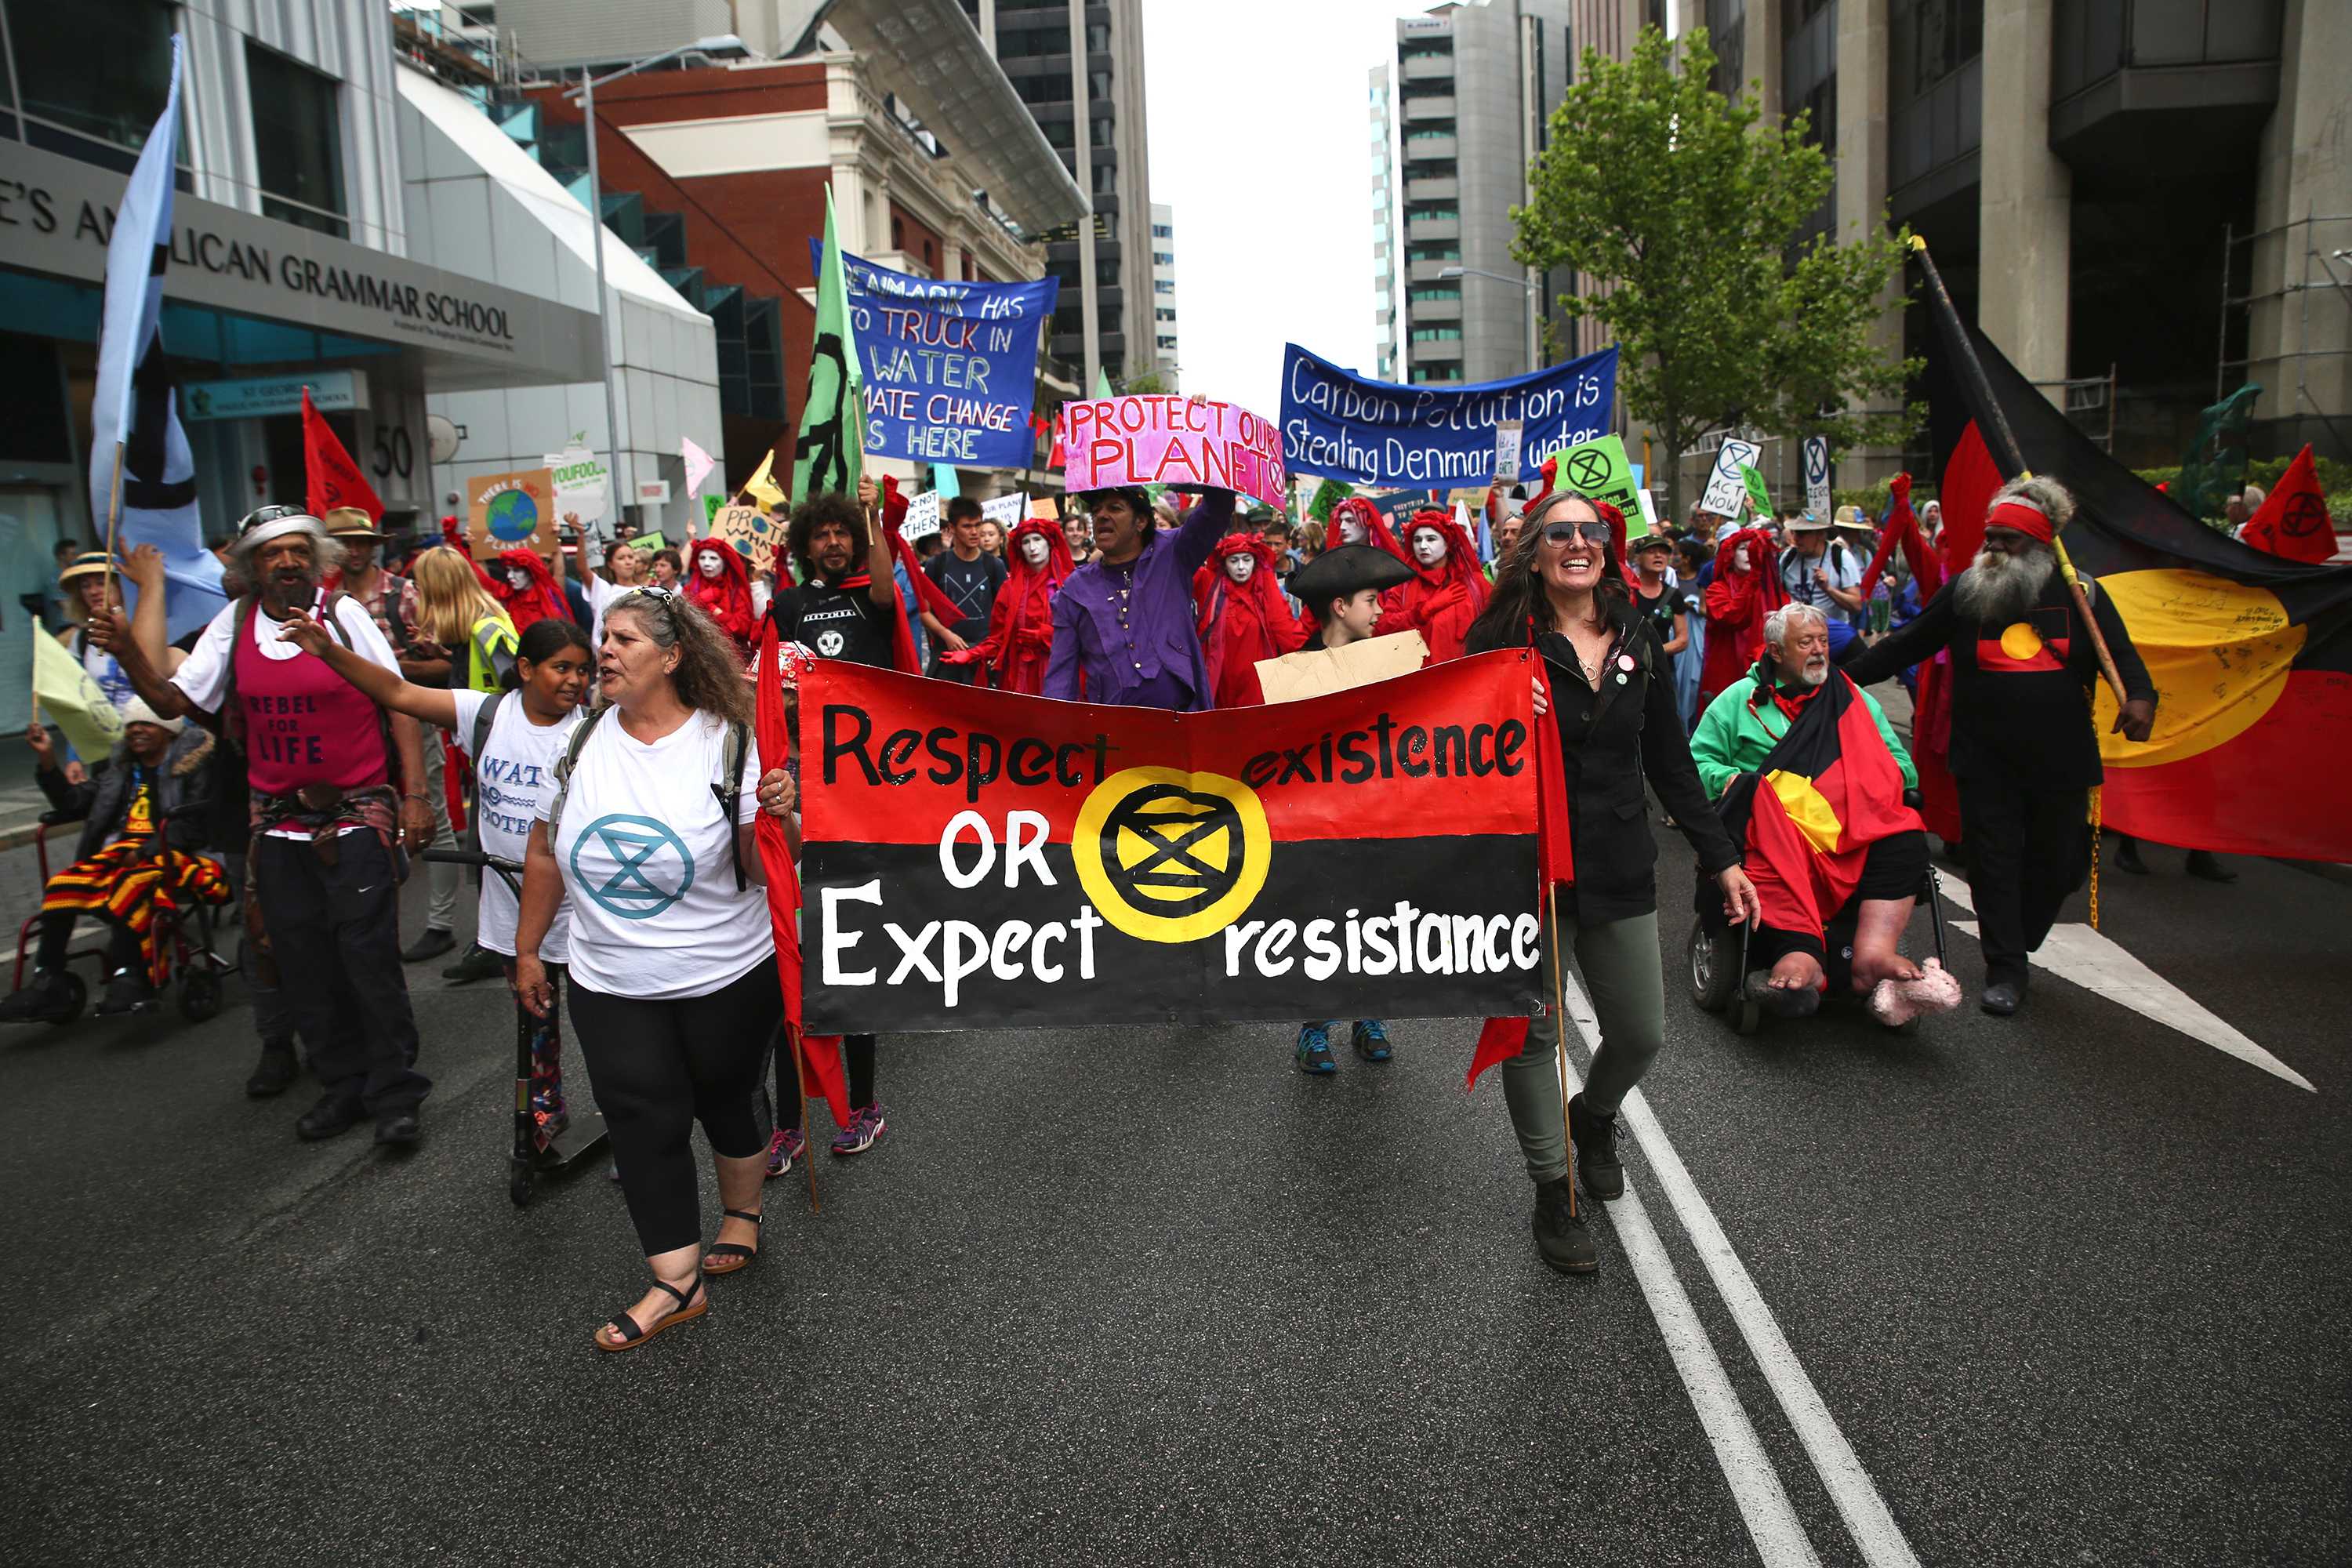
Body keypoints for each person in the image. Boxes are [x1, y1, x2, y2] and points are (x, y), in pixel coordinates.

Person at [1464, 491, 1759, 1274]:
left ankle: (1594, 1117)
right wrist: (1498, 703)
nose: (1576, 543)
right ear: (1532, 553)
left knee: (1641, 1032)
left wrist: (1721, 854)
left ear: (1606, 546)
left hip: (1620, 861)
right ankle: (1551, 1190)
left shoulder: (1637, 634)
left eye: (1589, 531)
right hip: (1528, 868)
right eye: (1557, 533)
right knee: (1533, 1032)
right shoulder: (1498, 636)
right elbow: (1453, 745)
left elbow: (1670, 759)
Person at [89, 505, 434, 1145]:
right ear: (253, 568)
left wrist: (415, 795)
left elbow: (400, 703)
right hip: (277, 824)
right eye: (272, 554)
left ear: (317, 560)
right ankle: (342, 1085)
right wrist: (127, 652)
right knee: (303, 962)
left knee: (367, 959)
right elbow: (172, 701)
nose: (287, 563)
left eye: (299, 551)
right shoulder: (236, 623)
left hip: (356, 815)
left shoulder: (344, 615)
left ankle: (395, 1093)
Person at [510, 586, 795, 1352]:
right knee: (644, 1116)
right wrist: (529, 946)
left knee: (726, 1097)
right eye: (606, 635)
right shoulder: (577, 743)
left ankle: (741, 1214)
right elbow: (544, 848)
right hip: (610, 979)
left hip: (726, 973)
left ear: (671, 657)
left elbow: (762, 868)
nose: (604, 650)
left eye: (625, 638)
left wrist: (781, 817)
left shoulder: (728, 743)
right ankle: (676, 1280)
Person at [1837, 475, 2157, 1017]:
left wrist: (2142, 698)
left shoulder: (2083, 594)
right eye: (1991, 538)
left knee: (2059, 865)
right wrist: (1834, 682)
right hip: (1985, 762)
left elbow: (2122, 658)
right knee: (1995, 865)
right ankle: (2006, 968)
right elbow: (1902, 647)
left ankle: (2020, 937)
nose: (1993, 549)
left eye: (2007, 540)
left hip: (2062, 763)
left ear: (2036, 548)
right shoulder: (1966, 591)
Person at [284, 615, 595, 1143]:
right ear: (524, 668)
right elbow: (395, 691)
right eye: (560, 668)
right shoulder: (486, 714)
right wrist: (328, 652)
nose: (574, 681)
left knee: (602, 1030)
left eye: (583, 671)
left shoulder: (592, 729)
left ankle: (629, 1119)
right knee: (535, 1024)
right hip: (511, 910)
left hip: (580, 912)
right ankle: (545, 1107)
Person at [1689, 603, 1961, 1023]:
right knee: (1765, 824)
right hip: (1774, 827)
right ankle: (1800, 954)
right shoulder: (1738, 701)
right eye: (1805, 643)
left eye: (1822, 641)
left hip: (1847, 826)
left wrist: (1858, 780)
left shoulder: (1852, 698)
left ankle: (1873, 954)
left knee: (1905, 833)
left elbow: (1900, 765)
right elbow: (1696, 763)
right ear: (1776, 652)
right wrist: (1732, 780)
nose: (1819, 651)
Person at [768, 481, 914, 1156]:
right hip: (806, 777)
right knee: (790, 944)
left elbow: (888, 594)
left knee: (852, 942)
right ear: (805, 546)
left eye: (842, 535)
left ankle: (864, 1104)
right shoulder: (791, 604)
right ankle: (789, 1120)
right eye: (822, 536)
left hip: (869, 782)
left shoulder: (871, 593)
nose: (833, 544)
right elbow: (772, 684)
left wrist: (874, 518)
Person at [0, 700, 228, 1022]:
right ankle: (47, 980)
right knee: (63, 884)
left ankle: (130, 974)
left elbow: (194, 825)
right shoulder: (120, 769)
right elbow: (73, 802)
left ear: (168, 729)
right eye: (131, 725)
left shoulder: (192, 765)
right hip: (122, 854)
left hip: (178, 853)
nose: (136, 730)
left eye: (146, 724)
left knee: (128, 884)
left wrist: (147, 851)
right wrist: (48, 760)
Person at [1280, 544, 1416, 1073]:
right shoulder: (1295, 672)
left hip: (1377, 815)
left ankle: (1369, 1014)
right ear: (1340, 607)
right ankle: (1314, 1028)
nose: (1381, 610)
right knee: (1321, 921)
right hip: (1318, 820)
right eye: (1370, 600)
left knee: (1375, 917)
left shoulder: (1391, 662)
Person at [403, 546, 522, 971]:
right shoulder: (467, 633)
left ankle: (504, 944)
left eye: (421, 585)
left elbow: (526, 688)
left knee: (504, 850)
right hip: (488, 754)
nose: (414, 594)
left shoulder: (488, 629)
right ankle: (496, 940)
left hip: (506, 758)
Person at [1044, 485, 1236, 710]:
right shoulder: (1076, 589)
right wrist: (1054, 731)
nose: (1101, 516)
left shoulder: (1173, 553)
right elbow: (1061, 677)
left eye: (1115, 508)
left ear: (1141, 522)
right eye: (1096, 511)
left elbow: (1218, 509)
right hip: (1111, 734)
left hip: (1184, 728)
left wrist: (1190, 473)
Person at [942, 514, 1074, 694]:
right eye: (1026, 542)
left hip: (1059, 672)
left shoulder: (1069, 584)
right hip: (1020, 674)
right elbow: (999, 637)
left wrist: (1046, 635)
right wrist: (972, 653)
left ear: (1049, 543)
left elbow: (1085, 633)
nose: (1032, 547)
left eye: (1037, 539)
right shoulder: (1010, 588)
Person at [1194, 532, 1306, 708]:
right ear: (1224, 564)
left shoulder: (1264, 587)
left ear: (1255, 562)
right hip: (1220, 678)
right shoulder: (1210, 584)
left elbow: (1284, 628)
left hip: (1256, 680)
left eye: (1246, 559)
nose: (1241, 567)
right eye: (1234, 560)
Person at [1368, 506, 1489, 662]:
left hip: (1465, 677)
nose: (1423, 546)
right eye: (1417, 540)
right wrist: (1421, 612)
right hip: (1417, 679)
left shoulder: (1474, 584)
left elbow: (1497, 627)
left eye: (1431, 539)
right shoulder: (1404, 586)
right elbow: (1381, 628)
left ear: (1447, 544)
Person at [1698, 524, 1786, 713]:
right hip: (1727, 672)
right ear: (1731, 554)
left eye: (1754, 549)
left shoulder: (1773, 591)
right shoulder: (1717, 589)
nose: (1750, 554)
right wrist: (1753, 577)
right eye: (1744, 549)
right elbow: (1731, 617)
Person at [924, 497, 1007, 682]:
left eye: (978, 525)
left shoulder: (994, 566)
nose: (975, 532)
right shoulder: (937, 564)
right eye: (967, 526)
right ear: (952, 528)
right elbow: (924, 611)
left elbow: (1004, 615)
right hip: (945, 658)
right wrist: (946, 634)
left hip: (983, 660)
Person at [322, 509, 419, 654]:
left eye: (360, 543)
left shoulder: (404, 592)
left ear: (372, 546)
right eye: (345, 545)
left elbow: (445, 662)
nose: (354, 552)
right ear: (333, 551)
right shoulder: (328, 602)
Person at [1776, 512, 1865, 655]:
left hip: (1833, 640)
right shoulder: (1787, 558)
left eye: (1803, 534)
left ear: (1821, 535)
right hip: (1798, 640)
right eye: (1795, 533)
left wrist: (1828, 589)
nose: (1796, 539)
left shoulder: (1841, 557)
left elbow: (1856, 605)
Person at [682, 536, 760, 666]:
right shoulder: (690, 588)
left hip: (731, 660)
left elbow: (743, 627)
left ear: (724, 562)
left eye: (713, 558)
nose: (706, 563)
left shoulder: (736, 591)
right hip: (697, 660)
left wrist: (713, 609)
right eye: (702, 558)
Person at [1627, 533, 1688, 661]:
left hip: (1663, 670)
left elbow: (1682, 640)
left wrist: (1652, 653)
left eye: (1663, 552)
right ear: (1638, 558)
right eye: (1651, 551)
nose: (1658, 556)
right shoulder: (1627, 591)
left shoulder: (1674, 594)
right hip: (1630, 667)